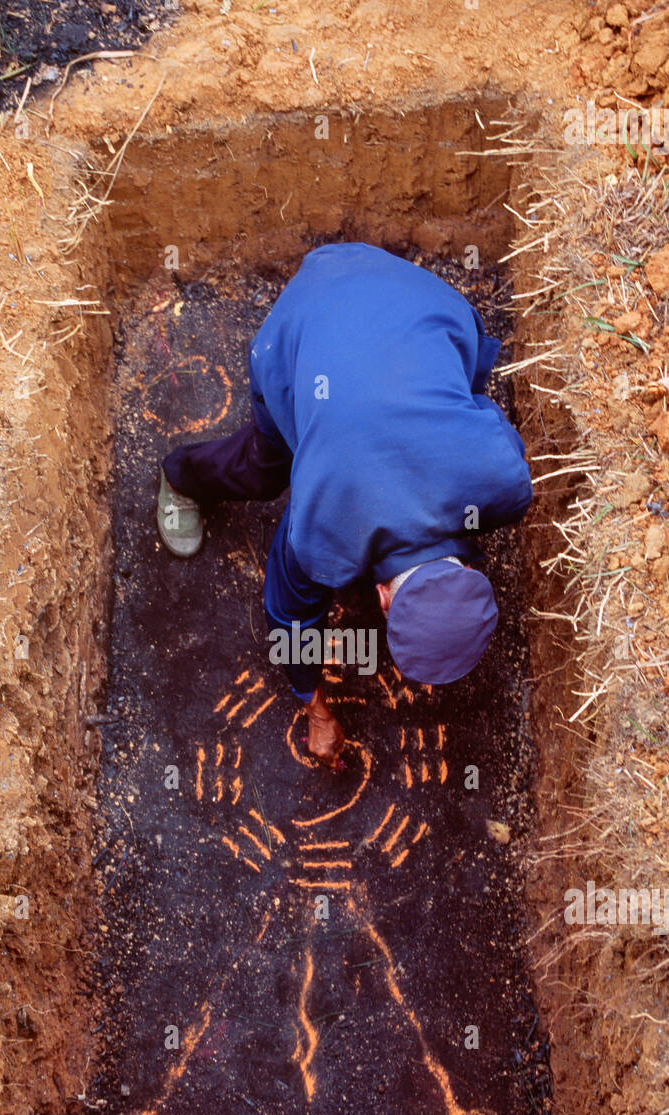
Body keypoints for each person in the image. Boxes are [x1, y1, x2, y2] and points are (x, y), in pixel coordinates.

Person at [157, 242, 532, 767]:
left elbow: (479, 412)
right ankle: (181, 476)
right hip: (308, 320)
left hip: (420, 303)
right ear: (379, 596)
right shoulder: (320, 532)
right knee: (266, 468)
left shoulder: (505, 482)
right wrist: (313, 707)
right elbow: (288, 617)